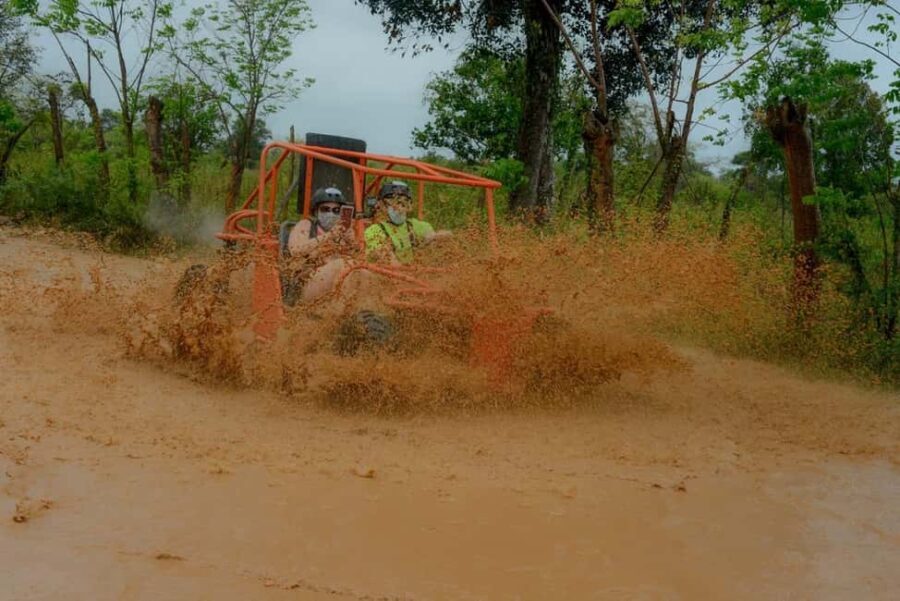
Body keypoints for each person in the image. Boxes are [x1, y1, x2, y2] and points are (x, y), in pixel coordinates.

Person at [285, 187, 356, 303]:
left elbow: (358, 258)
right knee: (341, 265)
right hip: (308, 282)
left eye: (336, 210)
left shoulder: (344, 233)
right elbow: (296, 250)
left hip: (340, 283)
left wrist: (352, 243)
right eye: (325, 209)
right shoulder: (305, 225)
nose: (331, 214)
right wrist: (329, 236)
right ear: (316, 211)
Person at [364, 180, 450, 264]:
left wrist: (438, 238)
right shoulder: (374, 232)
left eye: (404, 203)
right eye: (393, 202)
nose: (399, 208)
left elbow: (438, 237)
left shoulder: (416, 226)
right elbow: (391, 264)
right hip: (386, 276)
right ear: (382, 205)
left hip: (412, 274)